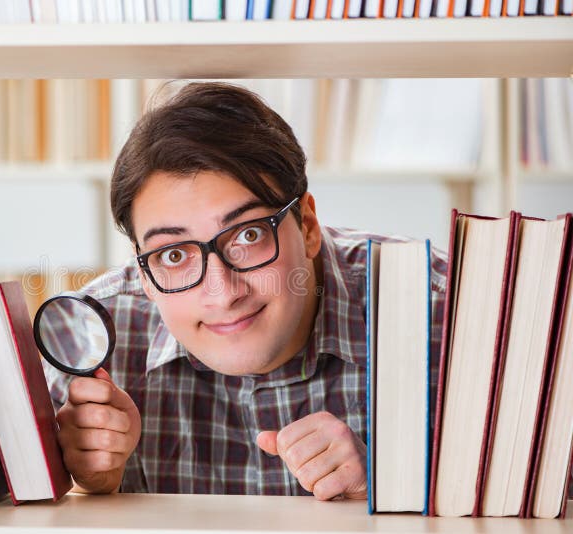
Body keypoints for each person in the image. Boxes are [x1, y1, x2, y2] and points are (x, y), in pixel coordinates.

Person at [42, 81, 448, 499]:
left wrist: (394, 493)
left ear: (307, 226)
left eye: (249, 234)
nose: (223, 293)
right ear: (143, 270)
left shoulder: (445, 313)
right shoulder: (84, 336)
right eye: (174, 255)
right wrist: (83, 491)